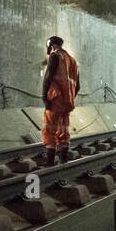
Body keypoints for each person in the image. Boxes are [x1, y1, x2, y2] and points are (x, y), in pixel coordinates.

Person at [41, 36, 80, 165]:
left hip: (54, 99)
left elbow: (47, 78)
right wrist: (68, 97)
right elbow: (78, 86)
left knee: (50, 128)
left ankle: (50, 162)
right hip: (67, 102)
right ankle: (63, 159)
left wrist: (44, 97)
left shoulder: (55, 56)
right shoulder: (73, 61)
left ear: (52, 46)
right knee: (63, 130)